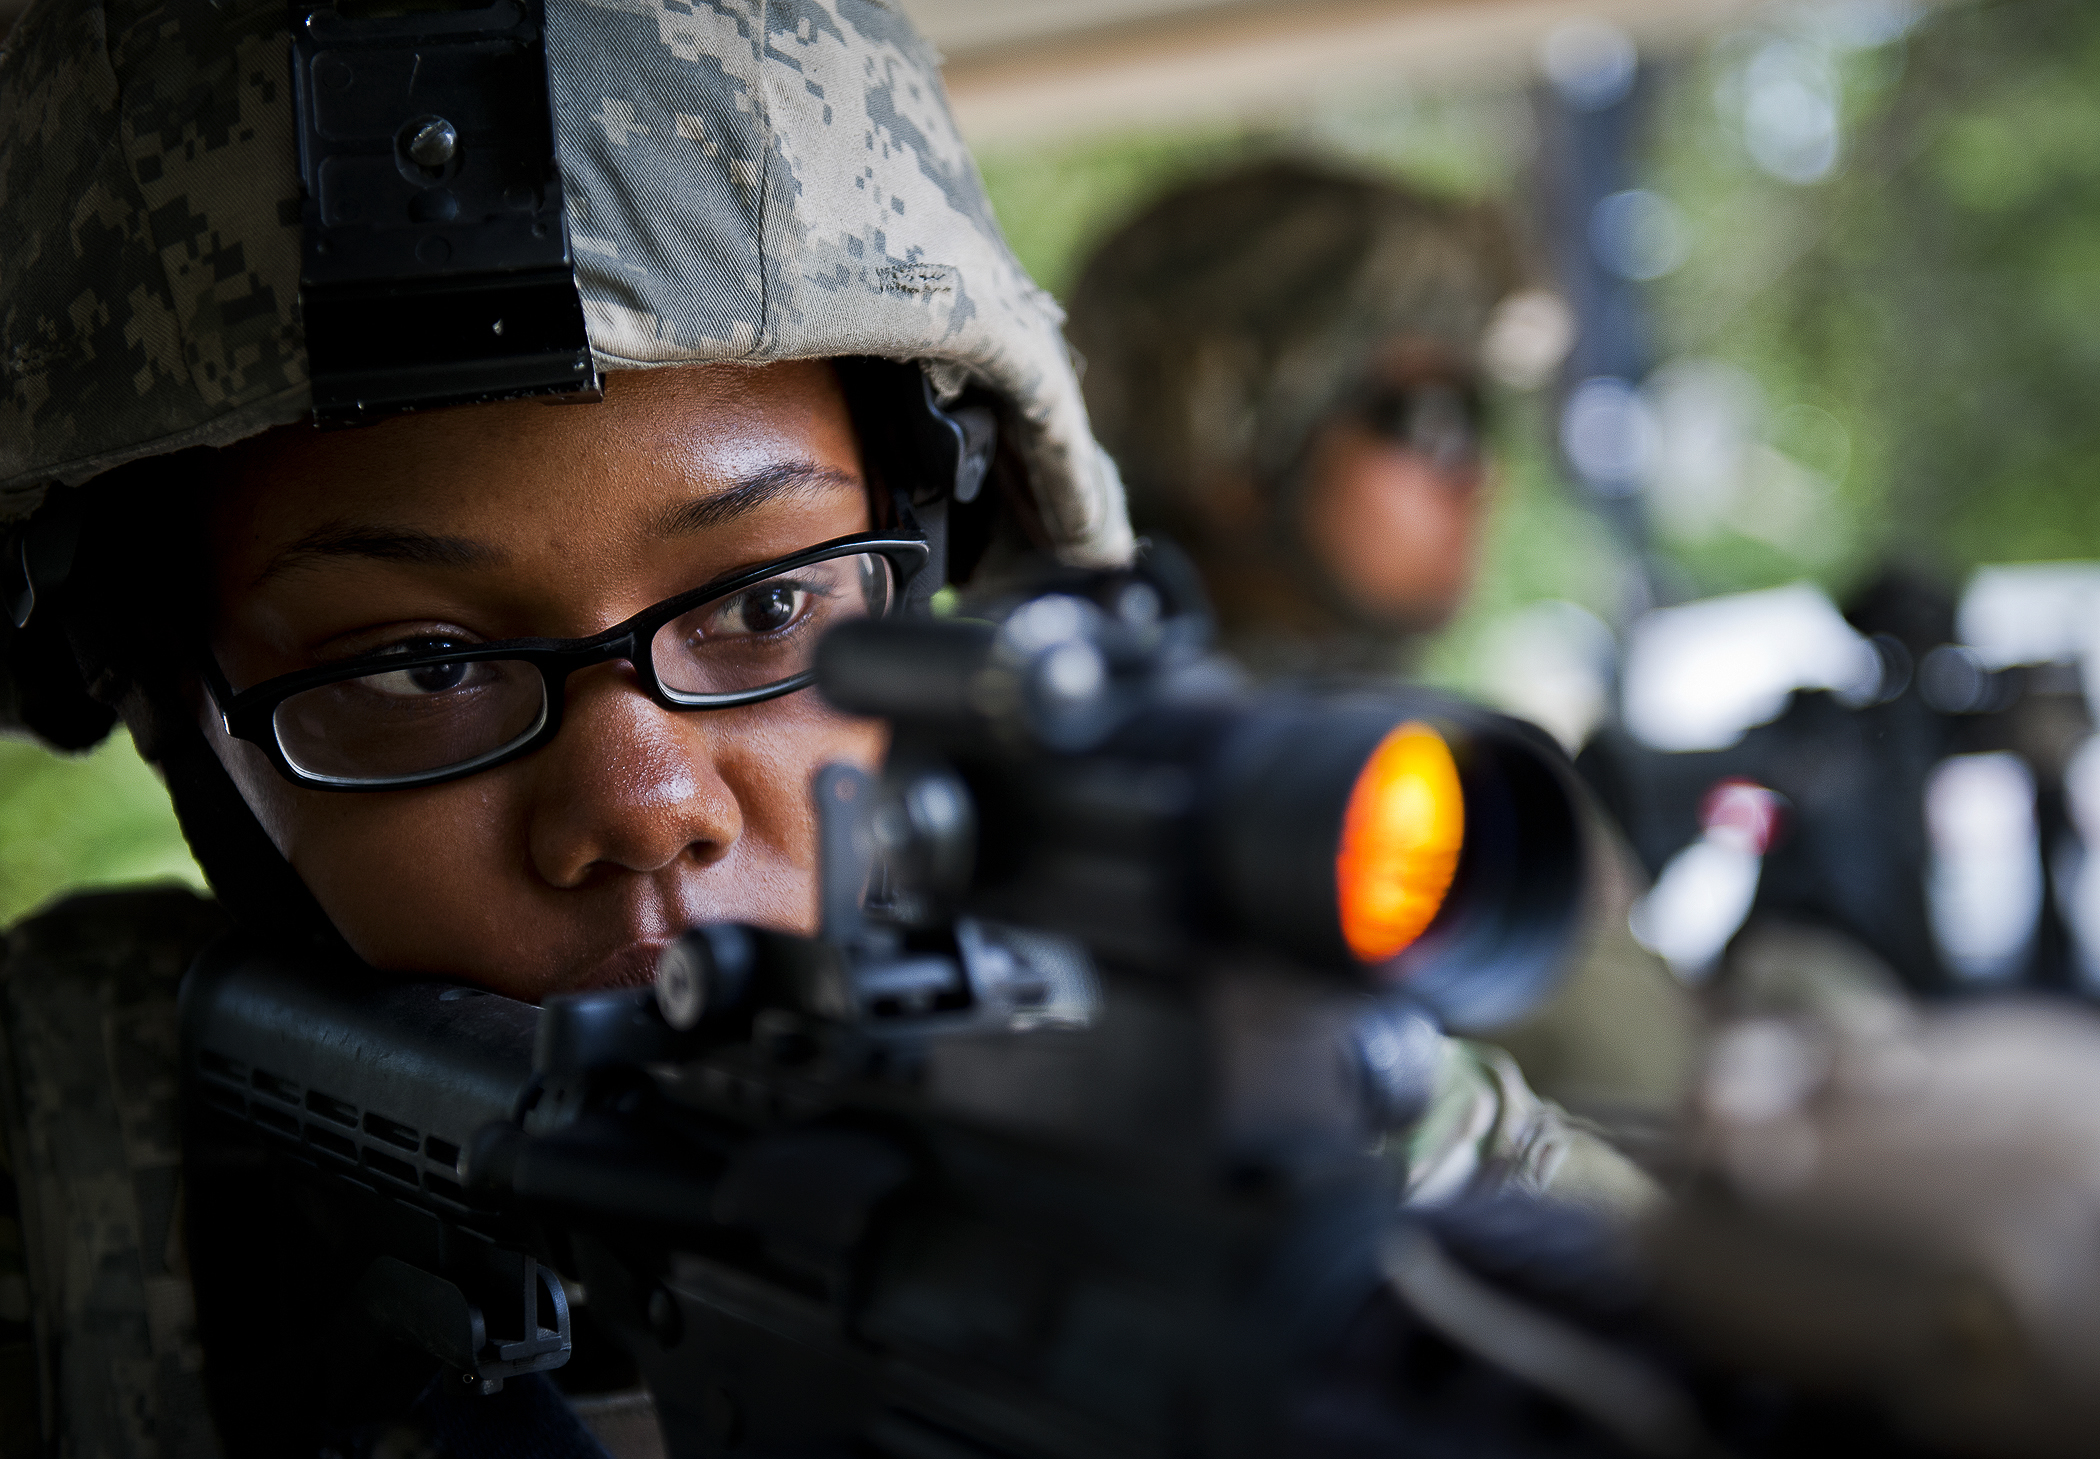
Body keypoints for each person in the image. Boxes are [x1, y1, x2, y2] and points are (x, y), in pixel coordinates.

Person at [0, 11, 1636, 1456]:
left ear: (940, 572)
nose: (645, 805)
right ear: (166, 698)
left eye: (768, 608)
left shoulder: (1316, 1151)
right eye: (423, 664)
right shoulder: (72, 1205)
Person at [1067, 160, 1699, 1140]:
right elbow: (1662, 1137)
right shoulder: (1339, 778)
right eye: (1432, 416)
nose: (1480, 474)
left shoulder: (1119, 726)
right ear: (1234, 428)